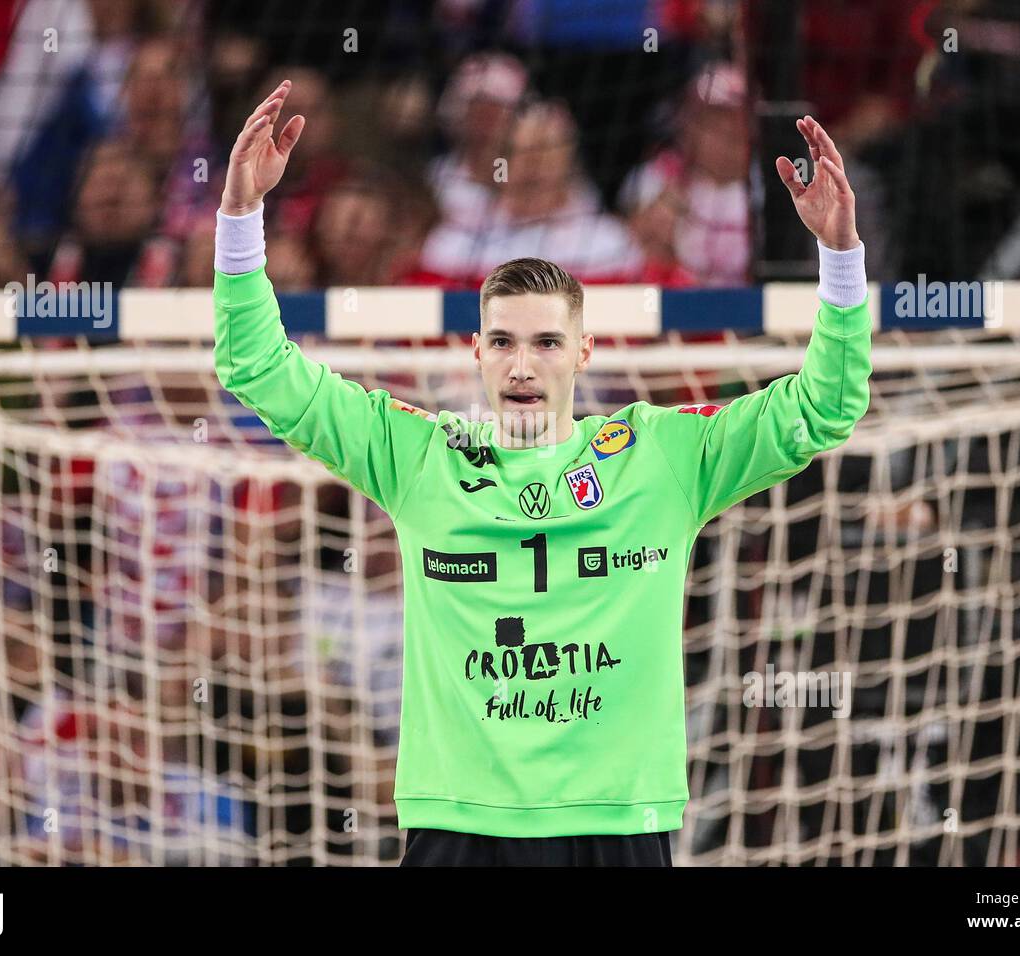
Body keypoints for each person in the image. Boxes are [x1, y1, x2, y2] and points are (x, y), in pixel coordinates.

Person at [212, 79, 871, 867]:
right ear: (478, 353)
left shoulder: (660, 455)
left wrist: (838, 255)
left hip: (616, 826)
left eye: (547, 344)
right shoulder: (422, 454)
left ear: (585, 353)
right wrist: (241, 218)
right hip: (460, 826)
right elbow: (258, 368)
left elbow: (824, 406)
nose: (523, 365)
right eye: (504, 343)